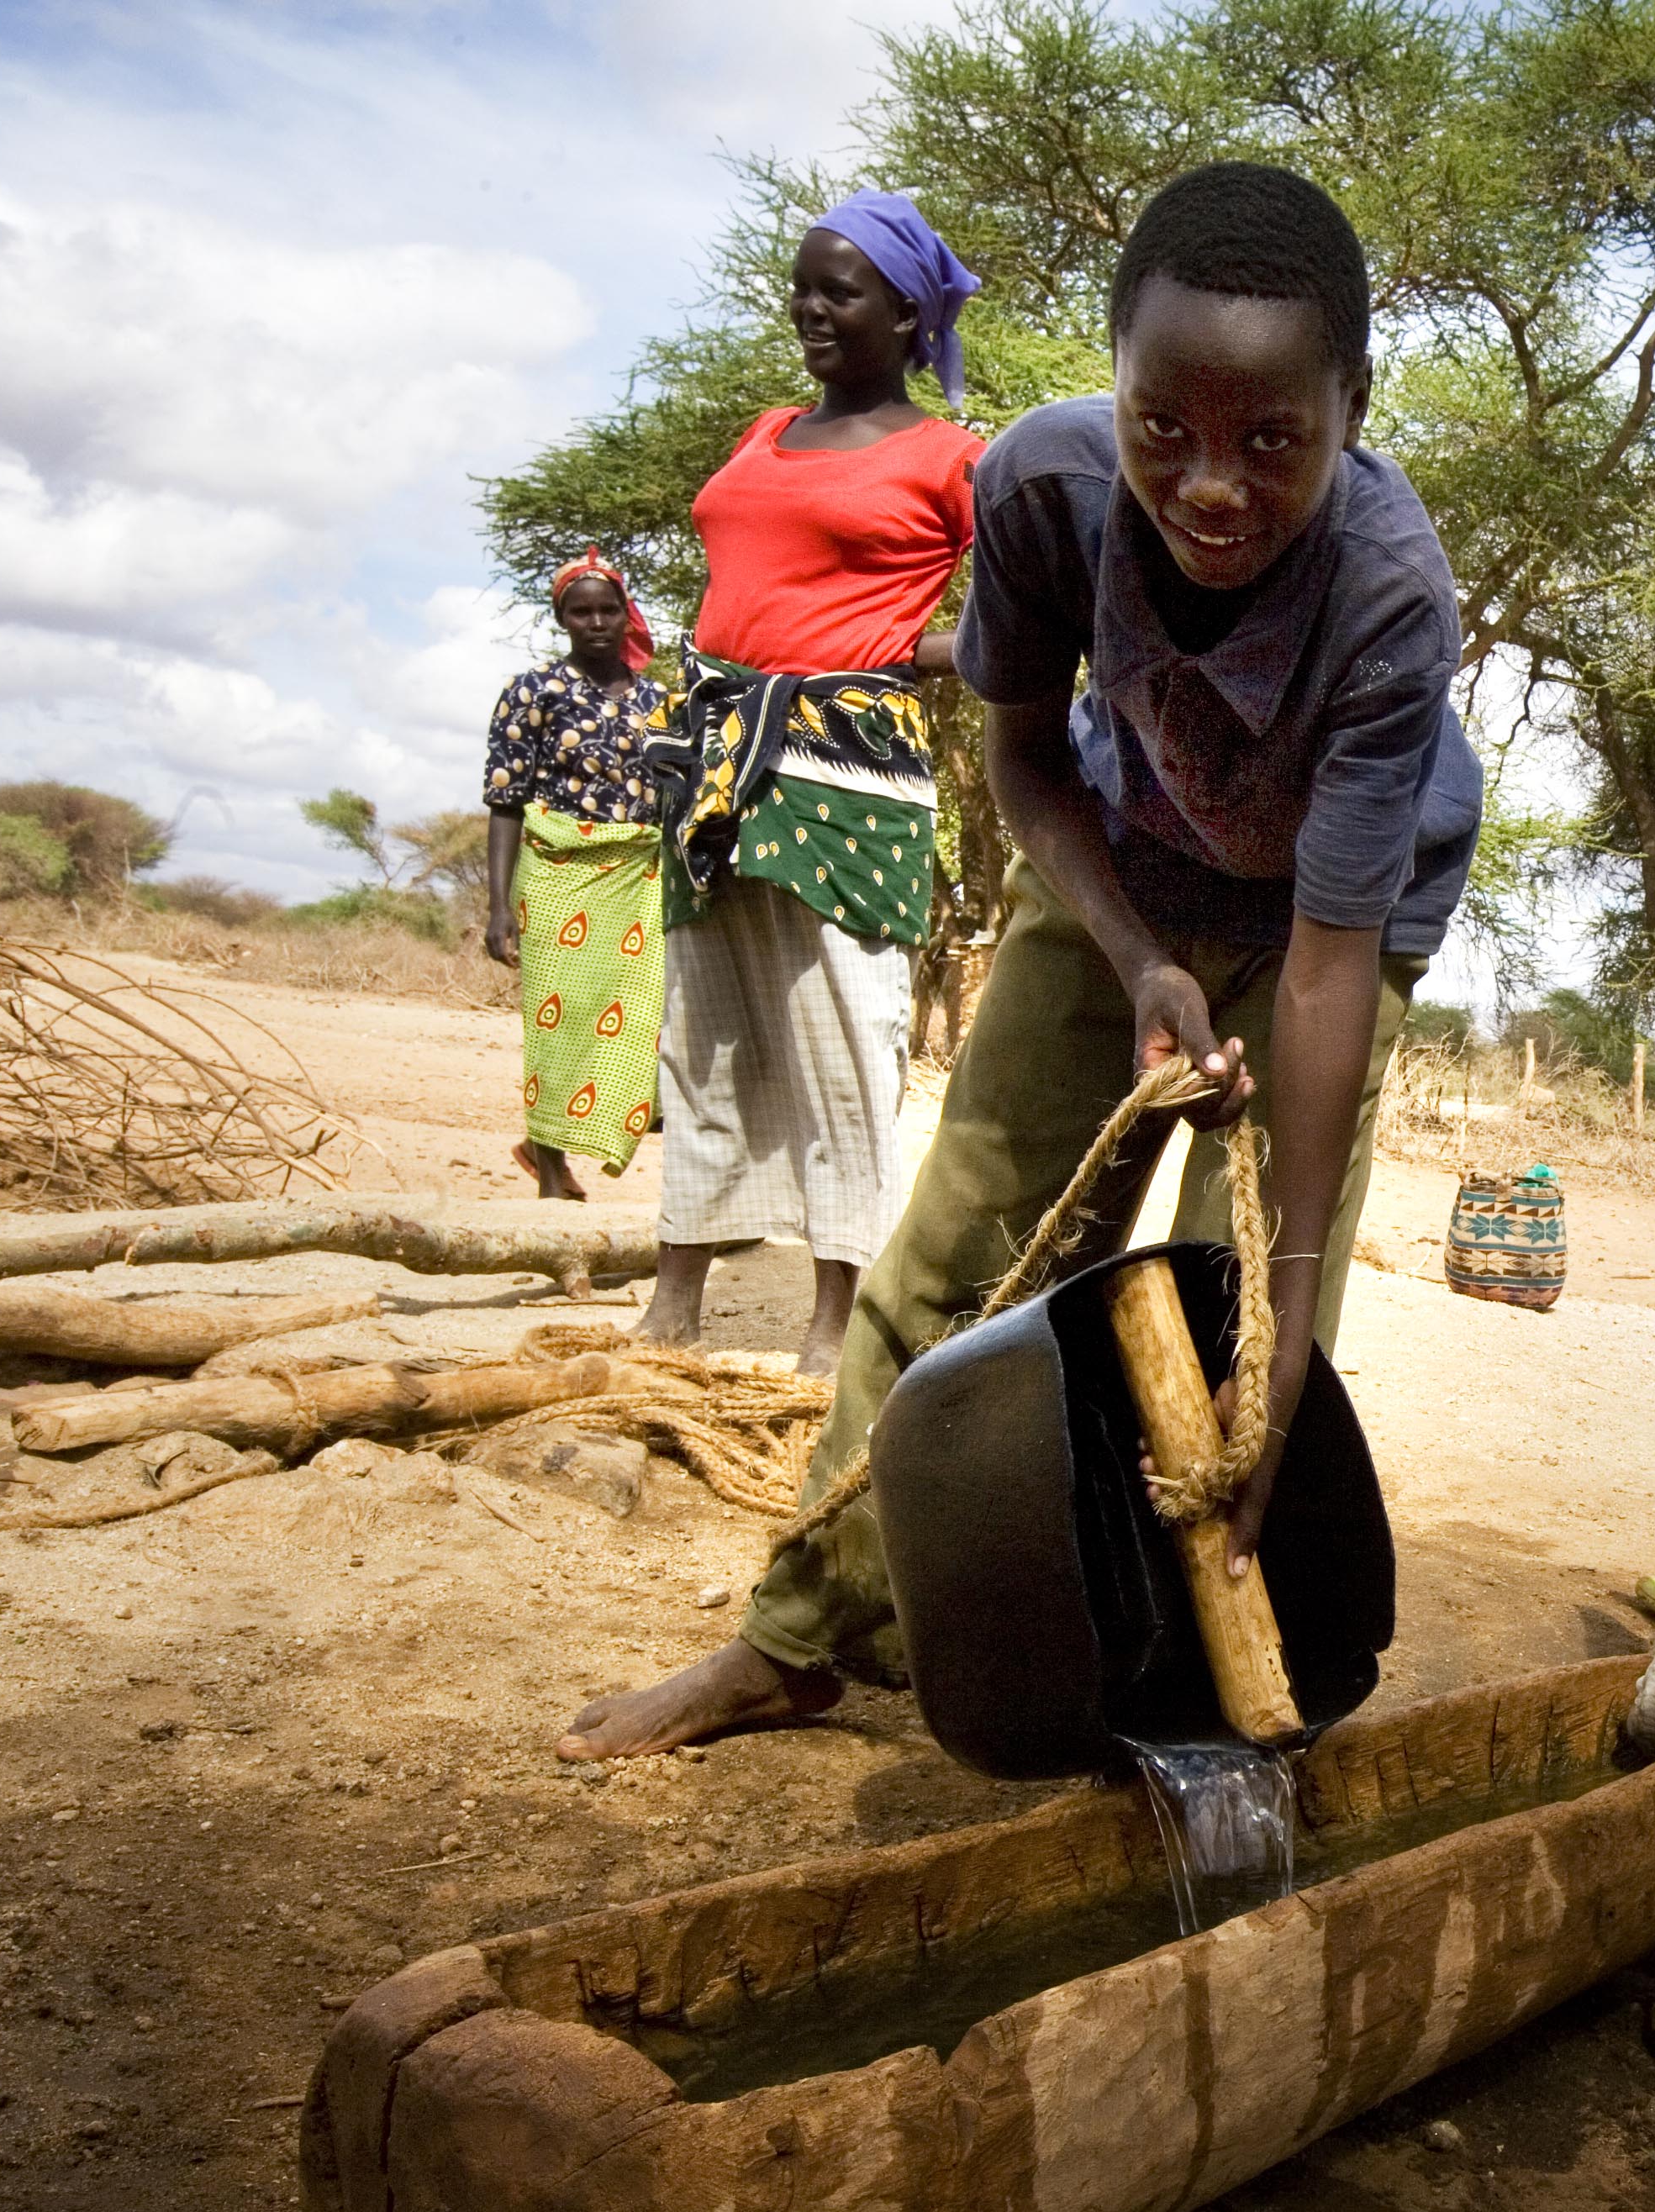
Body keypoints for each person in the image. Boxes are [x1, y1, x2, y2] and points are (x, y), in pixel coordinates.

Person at [563, 161, 1477, 1760]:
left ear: (1352, 408)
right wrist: (1131, 960)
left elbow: (1330, 965)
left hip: (1328, 925)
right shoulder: (1044, 488)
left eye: (1275, 442)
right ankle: (798, 1634)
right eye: (1162, 428)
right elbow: (1024, 759)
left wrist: (1293, 1309)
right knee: (958, 1256)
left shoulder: (1388, 595)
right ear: (1111, 390)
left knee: (1235, 1310)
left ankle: (1197, 1699)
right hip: (1116, 865)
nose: (1211, 486)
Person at [634, 190, 987, 1376]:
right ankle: (678, 1278)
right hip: (719, 754)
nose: (811, 308)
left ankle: (835, 1318)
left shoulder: (953, 458)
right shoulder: (764, 430)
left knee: (846, 1026)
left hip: (847, 768)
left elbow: (1040, 608)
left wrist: (905, 652)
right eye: (803, 285)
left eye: (838, 290)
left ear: (904, 314)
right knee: (709, 1023)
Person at [482, 556, 670, 1197]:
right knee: (557, 1017)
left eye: (607, 610)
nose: (595, 622)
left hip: (640, 878)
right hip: (557, 874)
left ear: (626, 614)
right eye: (580, 611)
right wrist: (497, 907)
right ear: (561, 618)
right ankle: (551, 1161)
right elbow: (505, 801)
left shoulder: (659, 700)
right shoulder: (532, 692)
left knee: (640, 1015)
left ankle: (605, 1132)